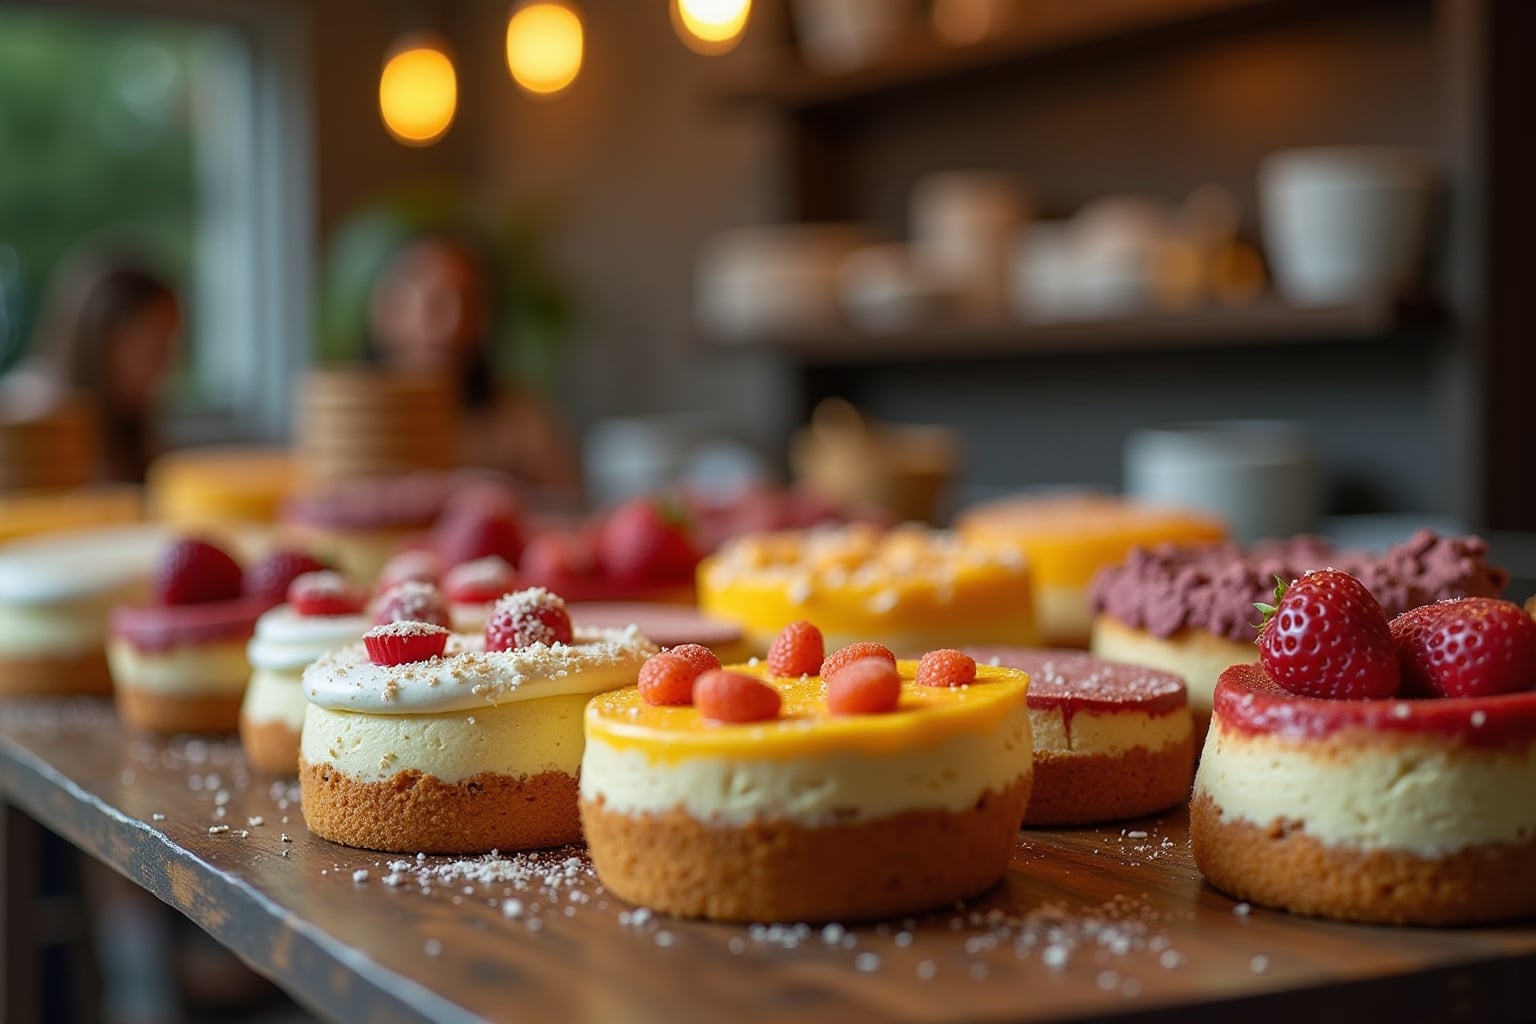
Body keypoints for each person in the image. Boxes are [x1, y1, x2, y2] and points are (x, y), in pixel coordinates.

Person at [1, 247, 182, 483]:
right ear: (104, 340)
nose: (167, 365)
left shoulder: (132, 427)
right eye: (155, 348)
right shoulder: (32, 409)